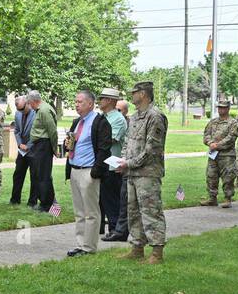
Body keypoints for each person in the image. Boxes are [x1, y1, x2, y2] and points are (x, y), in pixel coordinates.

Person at [116, 81, 168, 263]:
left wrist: (128, 163)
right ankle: (137, 247)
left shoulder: (155, 117)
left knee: (151, 211)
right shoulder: (135, 117)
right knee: (134, 212)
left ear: (144, 94)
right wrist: (122, 161)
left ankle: (156, 252)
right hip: (132, 172)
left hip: (148, 173)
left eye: (135, 92)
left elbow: (151, 150)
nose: (132, 95)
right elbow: (127, 143)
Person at [66, 88, 113, 257]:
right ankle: (80, 244)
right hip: (75, 170)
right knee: (79, 212)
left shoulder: (100, 122)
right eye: (76, 102)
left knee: (91, 212)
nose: (76, 105)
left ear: (91, 104)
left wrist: (95, 172)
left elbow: (104, 149)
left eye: (80, 102)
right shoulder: (77, 122)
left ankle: (89, 247)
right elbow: (73, 144)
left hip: (89, 172)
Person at [98, 89, 128, 240]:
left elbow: (111, 140)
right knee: (101, 198)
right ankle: (101, 227)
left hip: (113, 164)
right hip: (102, 164)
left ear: (109, 100)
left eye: (102, 98)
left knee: (112, 199)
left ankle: (116, 229)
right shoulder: (103, 117)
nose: (99, 101)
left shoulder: (117, 119)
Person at [200, 100, 238, 208]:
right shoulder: (213, 122)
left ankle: (228, 198)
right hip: (213, 154)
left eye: (223, 108)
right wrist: (210, 143)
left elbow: (231, 138)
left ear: (228, 109)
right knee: (211, 176)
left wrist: (217, 145)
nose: (221, 109)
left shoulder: (233, 123)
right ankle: (212, 198)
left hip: (227, 155)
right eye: (219, 107)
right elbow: (206, 134)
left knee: (228, 177)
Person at [26, 90, 58, 212]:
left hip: (43, 146)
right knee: (38, 175)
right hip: (38, 146)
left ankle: (47, 205)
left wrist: (54, 149)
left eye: (29, 103)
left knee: (43, 176)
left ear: (34, 101)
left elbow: (52, 131)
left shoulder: (44, 110)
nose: (29, 106)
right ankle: (46, 203)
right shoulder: (41, 109)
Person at [9, 93, 36, 207]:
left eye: (22, 109)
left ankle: (32, 202)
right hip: (22, 151)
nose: (21, 112)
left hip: (34, 149)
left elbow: (38, 132)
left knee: (34, 176)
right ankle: (15, 200)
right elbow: (17, 131)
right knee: (18, 174)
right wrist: (20, 144)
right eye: (18, 109)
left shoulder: (36, 114)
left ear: (28, 103)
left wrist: (28, 145)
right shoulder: (18, 114)